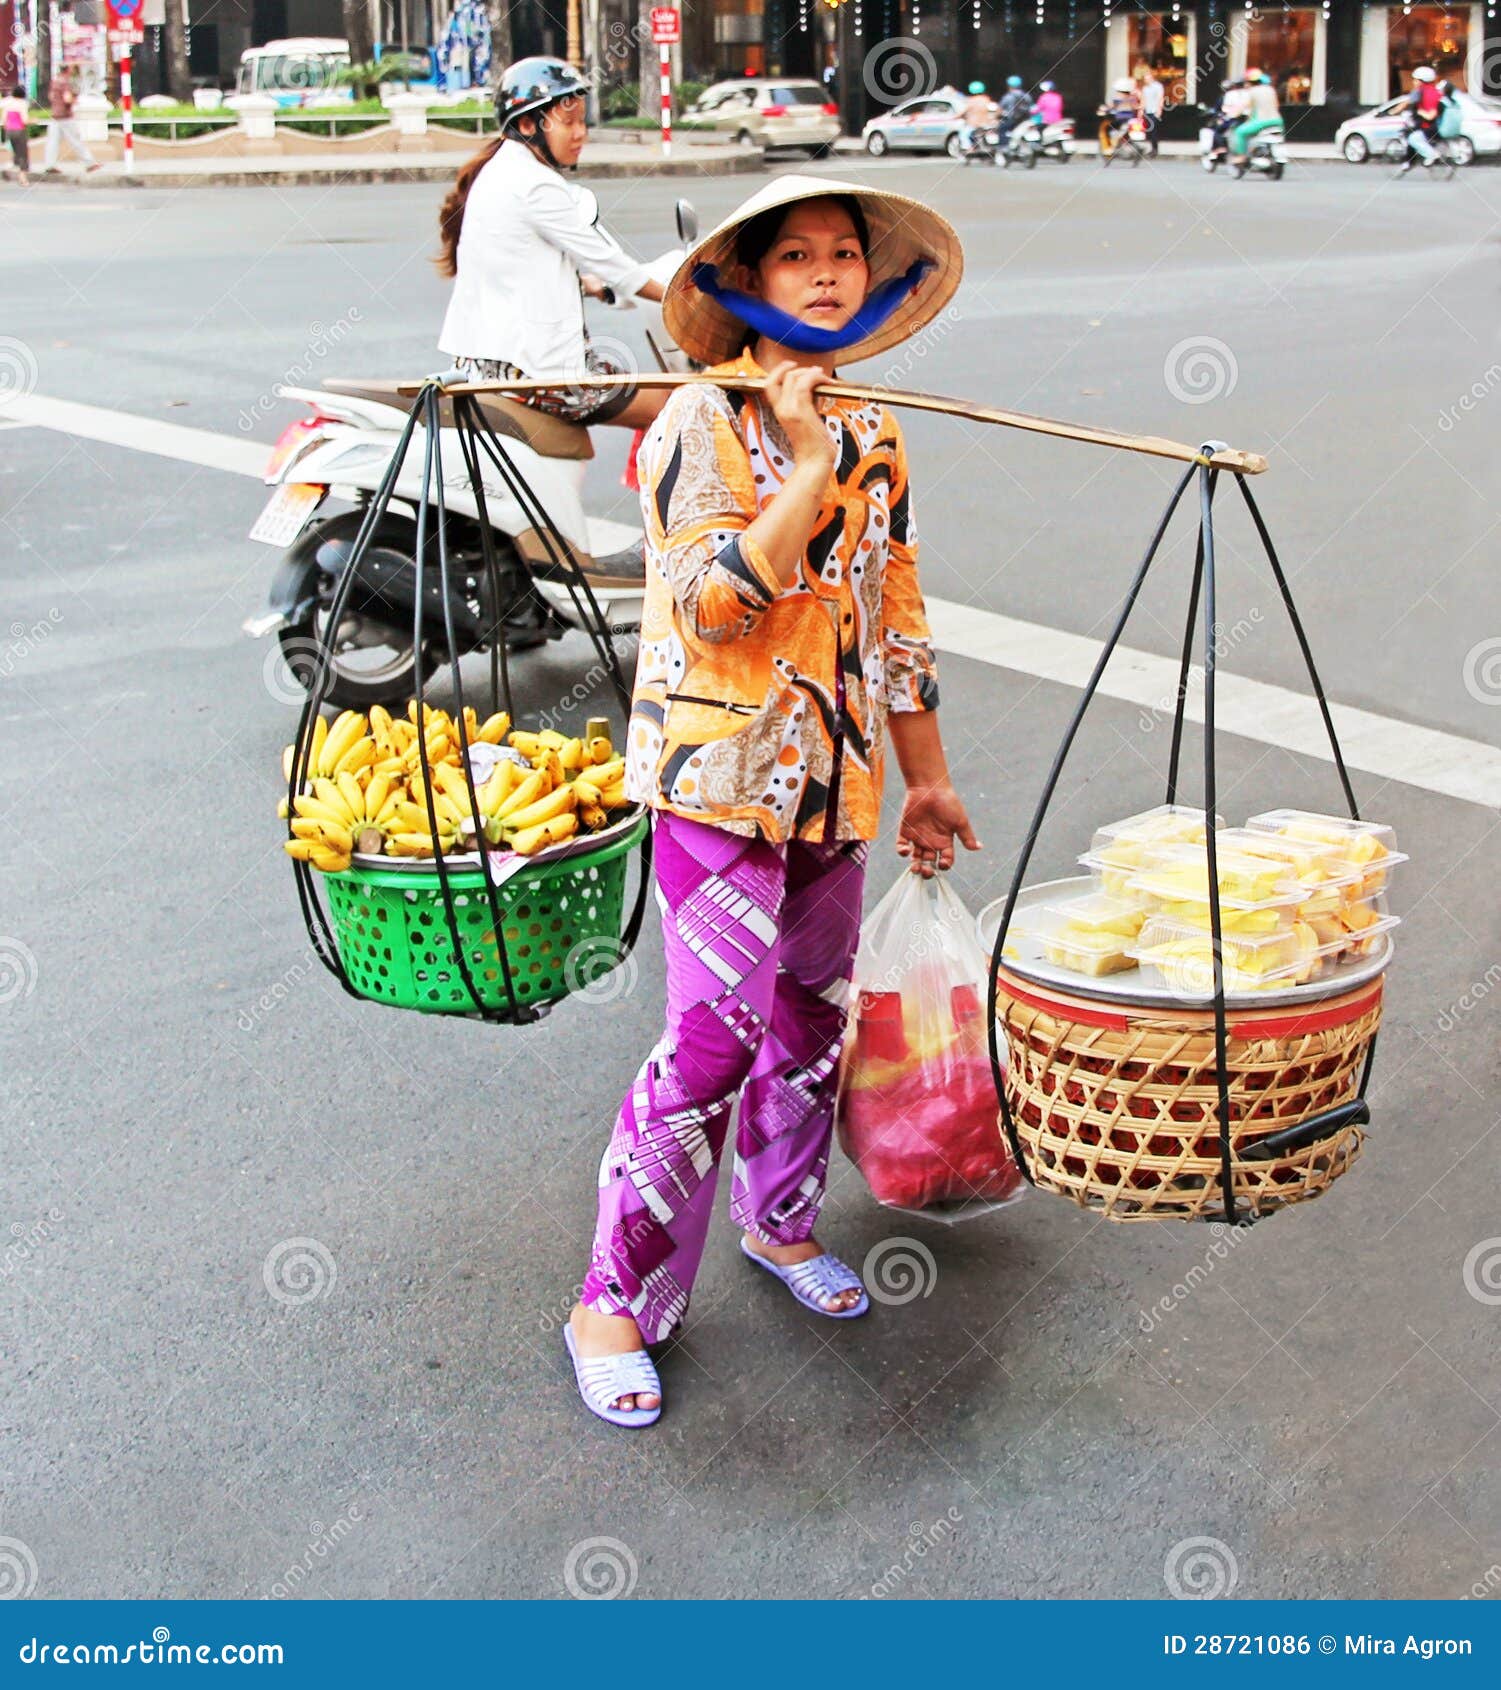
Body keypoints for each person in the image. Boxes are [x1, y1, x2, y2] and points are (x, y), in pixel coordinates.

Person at [562, 175, 978, 1428]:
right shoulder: (701, 416)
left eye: (843, 253)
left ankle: (778, 1218)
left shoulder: (877, 425)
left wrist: (929, 778)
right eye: (792, 255)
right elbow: (708, 607)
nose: (824, 271)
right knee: (711, 1042)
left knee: (808, 1023)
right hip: (719, 786)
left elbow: (892, 612)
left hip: (834, 787)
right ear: (745, 285)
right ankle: (610, 1298)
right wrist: (801, 464)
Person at [436, 56, 665, 431]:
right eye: (569, 123)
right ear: (528, 124)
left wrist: (588, 286)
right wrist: (683, 299)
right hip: (535, 375)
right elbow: (617, 268)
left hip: (486, 364)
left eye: (583, 122)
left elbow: (516, 267)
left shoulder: (501, 171)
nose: (581, 134)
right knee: (675, 407)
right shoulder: (537, 185)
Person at [41, 67, 99, 175]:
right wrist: (75, 101)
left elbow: (51, 97)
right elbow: (67, 98)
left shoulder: (54, 82)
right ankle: (89, 163)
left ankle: (50, 165)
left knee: (52, 142)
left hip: (55, 115)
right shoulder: (64, 83)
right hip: (65, 117)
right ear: (68, 71)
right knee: (75, 140)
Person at [1399, 65, 1456, 171]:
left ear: (1422, 81)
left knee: (1412, 137)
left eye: (1415, 80)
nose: (1413, 82)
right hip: (1434, 126)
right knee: (1413, 134)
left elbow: (1431, 115)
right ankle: (1410, 161)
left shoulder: (1427, 93)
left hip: (1431, 127)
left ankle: (1429, 155)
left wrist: (1420, 112)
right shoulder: (1436, 94)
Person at [1230, 68, 1282, 161]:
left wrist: (1233, 114)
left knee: (1239, 132)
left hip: (1261, 122)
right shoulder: (1270, 89)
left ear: (1249, 82)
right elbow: (1276, 105)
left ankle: (1241, 157)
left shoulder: (1251, 91)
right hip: (1277, 121)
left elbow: (1244, 106)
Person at [1099, 77, 1139, 155]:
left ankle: (1110, 149)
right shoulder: (1132, 98)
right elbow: (1135, 107)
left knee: (1106, 128)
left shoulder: (1119, 98)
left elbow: (1111, 107)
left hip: (1121, 119)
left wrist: (1104, 110)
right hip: (1130, 119)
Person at [1135, 62, 1165, 157]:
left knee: (1154, 131)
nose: (1145, 80)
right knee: (1148, 131)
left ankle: (1155, 149)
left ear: (1151, 78)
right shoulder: (1145, 88)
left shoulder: (1158, 86)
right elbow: (1143, 100)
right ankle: (1152, 148)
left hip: (1154, 111)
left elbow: (1160, 98)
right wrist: (1141, 110)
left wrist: (1159, 110)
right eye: (1145, 79)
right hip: (1147, 111)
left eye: (1147, 78)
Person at [959, 79, 996, 155]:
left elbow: (963, 112)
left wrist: (955, 117)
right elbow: (994, 109)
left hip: (973, 125)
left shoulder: (971, 100)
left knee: (963, 135)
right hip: (986, 124)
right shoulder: (987, 99)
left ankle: (969, 149)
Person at [2, 85, 29, 183]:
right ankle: (23, 177)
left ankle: (8, 169)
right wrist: (33, 120)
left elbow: (4, 119)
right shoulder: (22, 103)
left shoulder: (8, 103)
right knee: (23, 154)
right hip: (19, 131)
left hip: (9, 131)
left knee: (16, 153)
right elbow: (24, 120)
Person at [996, 73, 1031, 144]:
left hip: (1012, 120)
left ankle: (1003, 147)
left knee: (1001, 130)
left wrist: (996, 116)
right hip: (1025, 120)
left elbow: (1000, 109)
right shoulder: (1026, 95)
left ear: (1008, 85)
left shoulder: (1008, 96)